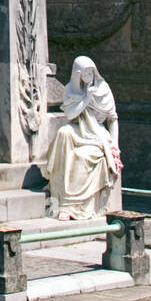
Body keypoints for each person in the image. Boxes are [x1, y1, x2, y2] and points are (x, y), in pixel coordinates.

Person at [41, 55, 122, 221]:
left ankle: (70, 205)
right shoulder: (72, 89)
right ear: (78, 75)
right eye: (85, 74)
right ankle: (57, 189)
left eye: (91, 73)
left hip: (98, 134)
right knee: (64, 132)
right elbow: (70, 114)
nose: (89, 77)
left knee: (82, 157)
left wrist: (115, 145)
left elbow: (112, 120)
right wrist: (86, 98)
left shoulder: (103, 89)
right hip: (80, 129)